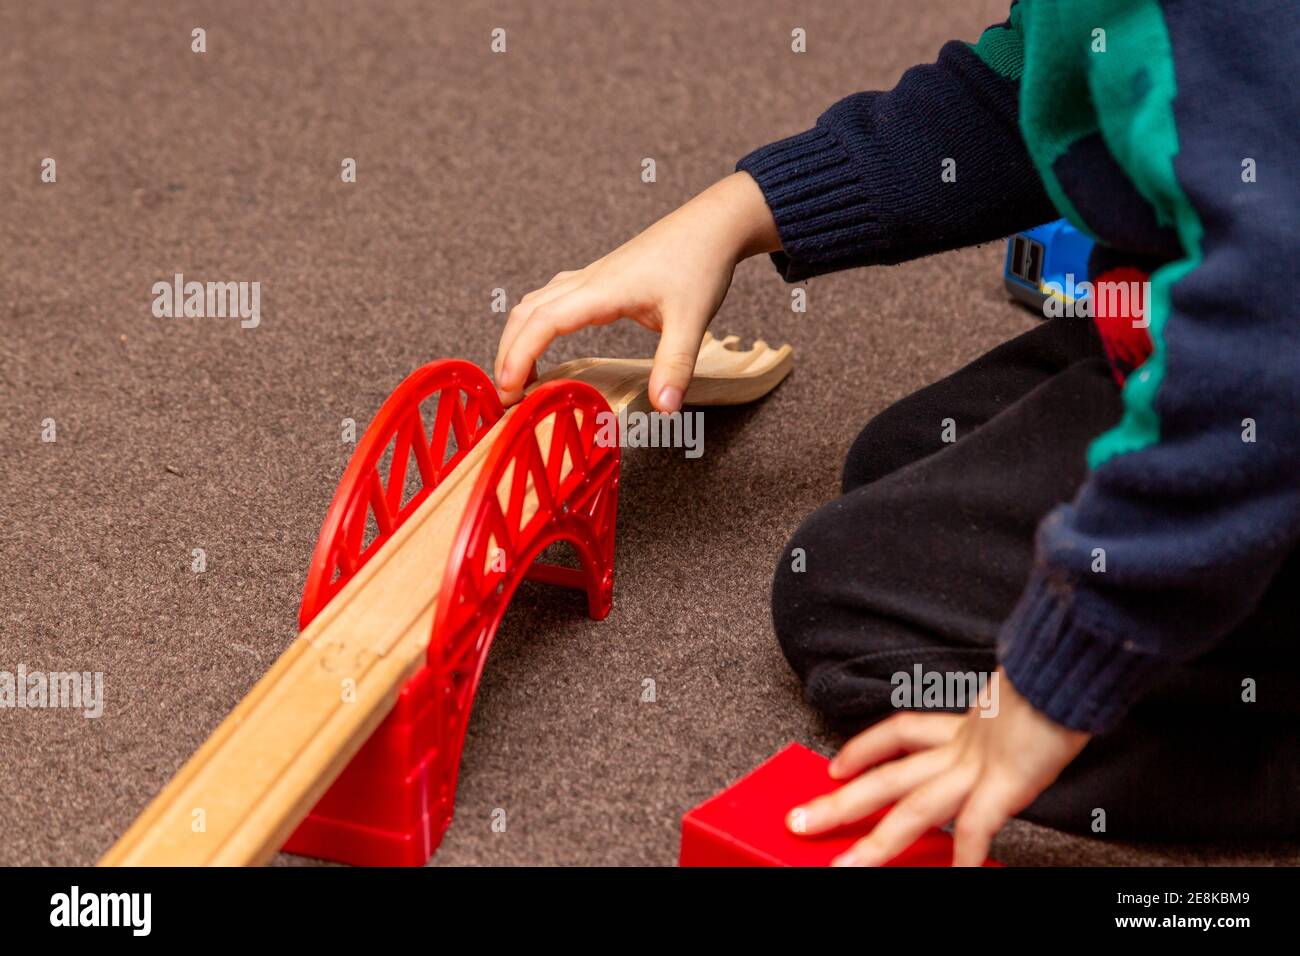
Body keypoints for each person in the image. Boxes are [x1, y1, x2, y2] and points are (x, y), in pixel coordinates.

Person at [493, 1, 1300, 865]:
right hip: (1214, 316)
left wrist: (1058, 679)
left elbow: (1270, 331)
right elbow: (1035, 91)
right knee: (905, 462)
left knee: (850, 601)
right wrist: (736, 214)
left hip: (1265, 349)